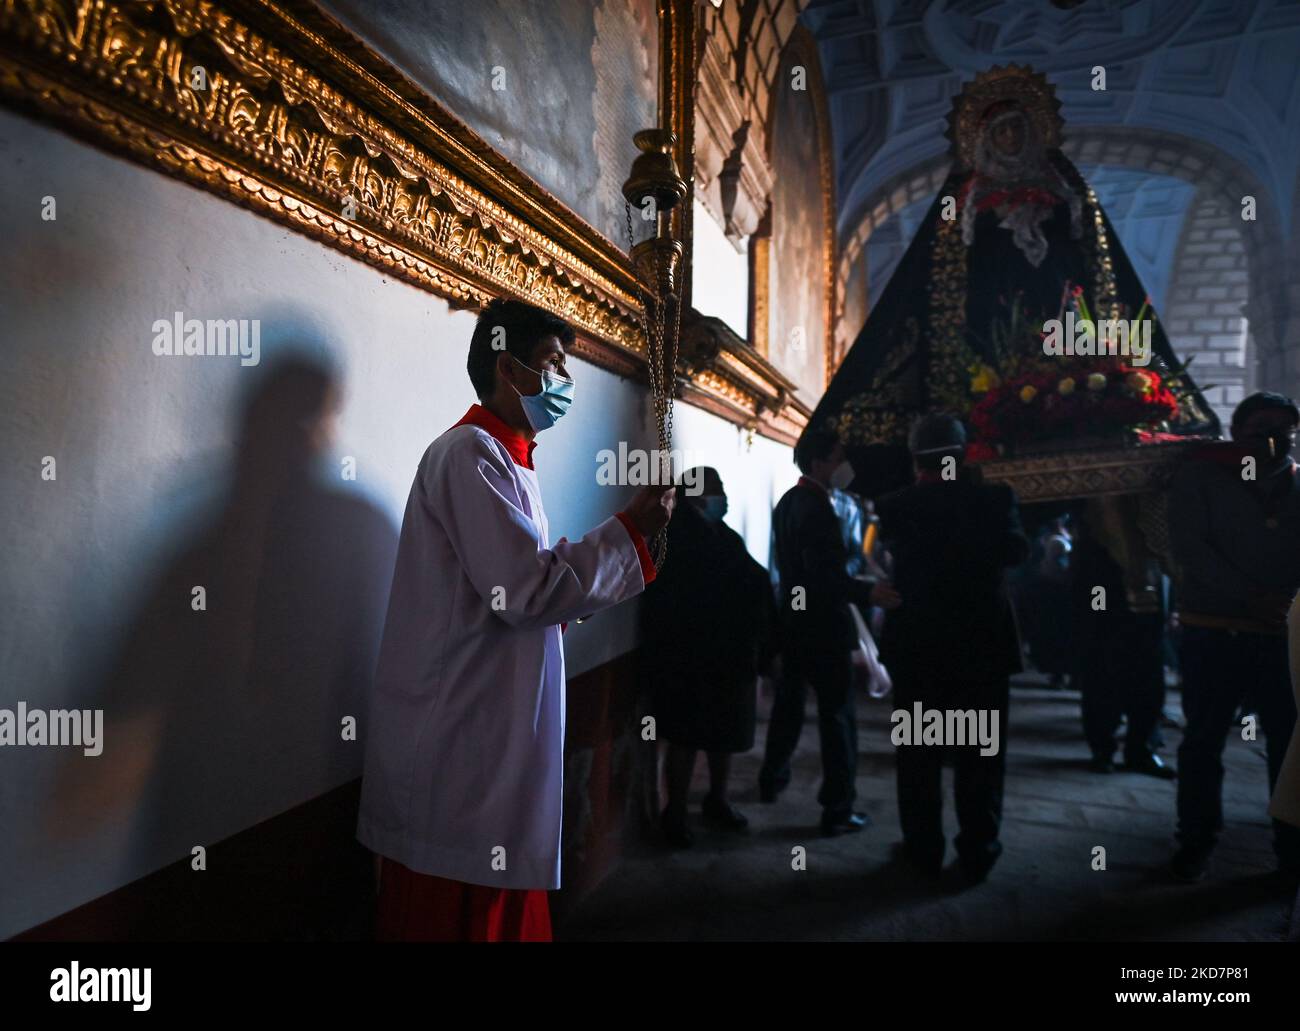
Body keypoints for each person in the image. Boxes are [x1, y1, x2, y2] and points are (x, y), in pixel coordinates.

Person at [356, 298, 675, 940]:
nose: (565, 383)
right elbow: (523, 590)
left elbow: (510, 590)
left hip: (489, 728)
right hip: (459, 737)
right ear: (509, 367)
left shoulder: (509, 460)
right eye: (553, 363)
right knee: (457, 907)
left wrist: (573, 591)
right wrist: (631, 533)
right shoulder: (468, 455)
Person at [876, 414, 1028, 882]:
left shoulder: (896, 505)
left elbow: (891, 554)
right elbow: (1017, 551)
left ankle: (923, 849)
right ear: (964, 455)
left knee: (919, 757)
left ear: (915, 458)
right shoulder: (995, 499)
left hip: (920, 650)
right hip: (980, 651)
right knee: (979, 759)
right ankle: (978, 852)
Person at [1167, 391, 1300, 882]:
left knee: (1289, 745)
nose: (1273, 438)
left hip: (1280, 635)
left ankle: (1291, 849)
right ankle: (1196, 841)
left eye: (1284, 429)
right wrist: (1252, 597)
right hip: (1213, 629)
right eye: (1260, 428)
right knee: (1202, 741)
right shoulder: (1200, 477)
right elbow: (1191, 547)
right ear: (1236, 432)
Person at [759, 427, 901, 836]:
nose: (845, 466)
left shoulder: (790, 501)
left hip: (795, 621)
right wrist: (867, 591)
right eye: (839, 457)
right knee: (837, 718)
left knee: (787, 707)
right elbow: (825, 575)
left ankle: (772, 778)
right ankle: (838, 809)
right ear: (820, 461)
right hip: (823, 625)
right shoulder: (817, 508)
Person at [641, 468, 776, 847]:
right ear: (698, 494)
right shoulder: (676, 537)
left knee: (721, 735)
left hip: (724, 657)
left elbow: (752, 578)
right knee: (686, 737)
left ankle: (717, 800)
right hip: (689, 658)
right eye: (718, 490)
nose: (725, 498)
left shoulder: (720, 534)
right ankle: (677, 813)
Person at [1071, 514, 1176, 778]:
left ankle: (1141, 749)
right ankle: (1102, 749)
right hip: (1102, 587)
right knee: (1102, 677)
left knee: (1149, 677)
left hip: (1147, 589)